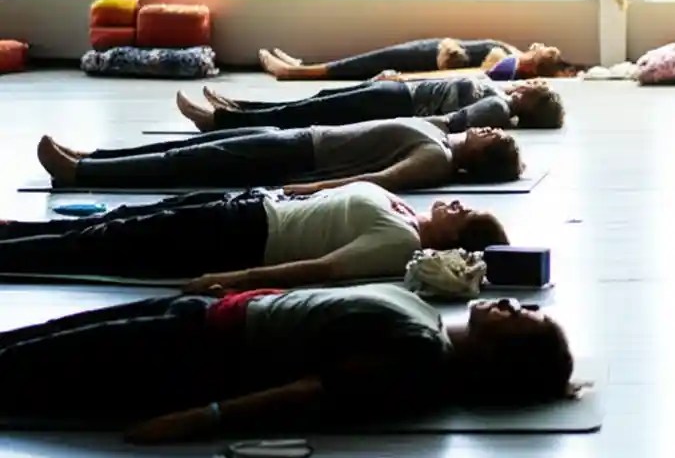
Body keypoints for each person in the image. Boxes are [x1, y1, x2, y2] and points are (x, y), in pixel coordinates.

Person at [0, 287, 576, 443]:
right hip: (205, 314)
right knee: (32, 341)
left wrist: (199, 419)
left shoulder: (420, 358)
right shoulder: (430, 322)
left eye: (521, 317)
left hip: (187, 352)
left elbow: (313, 390)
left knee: (22, 367)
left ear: (499, 358)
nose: (511, 303)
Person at [0, 182, 507, 287]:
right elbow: (326, 192)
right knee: (126, 217)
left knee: (108, 243)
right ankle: (16, 231)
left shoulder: (402, 243)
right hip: (252, 204)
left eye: (462, 214)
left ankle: (11, 254)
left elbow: (323, 270)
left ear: (452, 243)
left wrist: (234, 279)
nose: (456, 203)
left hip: (244, 236)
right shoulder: (401, 209)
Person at [35, 122, 523, 193]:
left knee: (185, 163)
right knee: (185, 148)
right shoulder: (442, 133)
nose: (488, 130)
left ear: (479, 160)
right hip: (298, 136)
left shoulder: (435, 157)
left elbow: (380, 181)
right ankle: (94, 157)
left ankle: (81, 173)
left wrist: (311, 189)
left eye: (493, 139)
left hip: (298, 157)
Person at [179, 77, 564, 132]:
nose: (532, 83)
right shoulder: (502, 95)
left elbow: (452, 120)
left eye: (537, 89)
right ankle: (239, 107)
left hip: (400, 103)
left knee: (308, 114)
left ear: (533, 105)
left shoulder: (498, 109)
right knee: (318, 100)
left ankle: (221, 121)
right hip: (399, 92)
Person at [258, 40, 568, 82]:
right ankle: (301, 65)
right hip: (436, 49)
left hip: (432, 56)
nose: (535, 45)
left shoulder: (509, 64)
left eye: (538, 50)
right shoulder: (513, 58)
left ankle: (293, 72)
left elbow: (471, 72)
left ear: (532, 65)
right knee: (367, 58)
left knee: (371, 60)